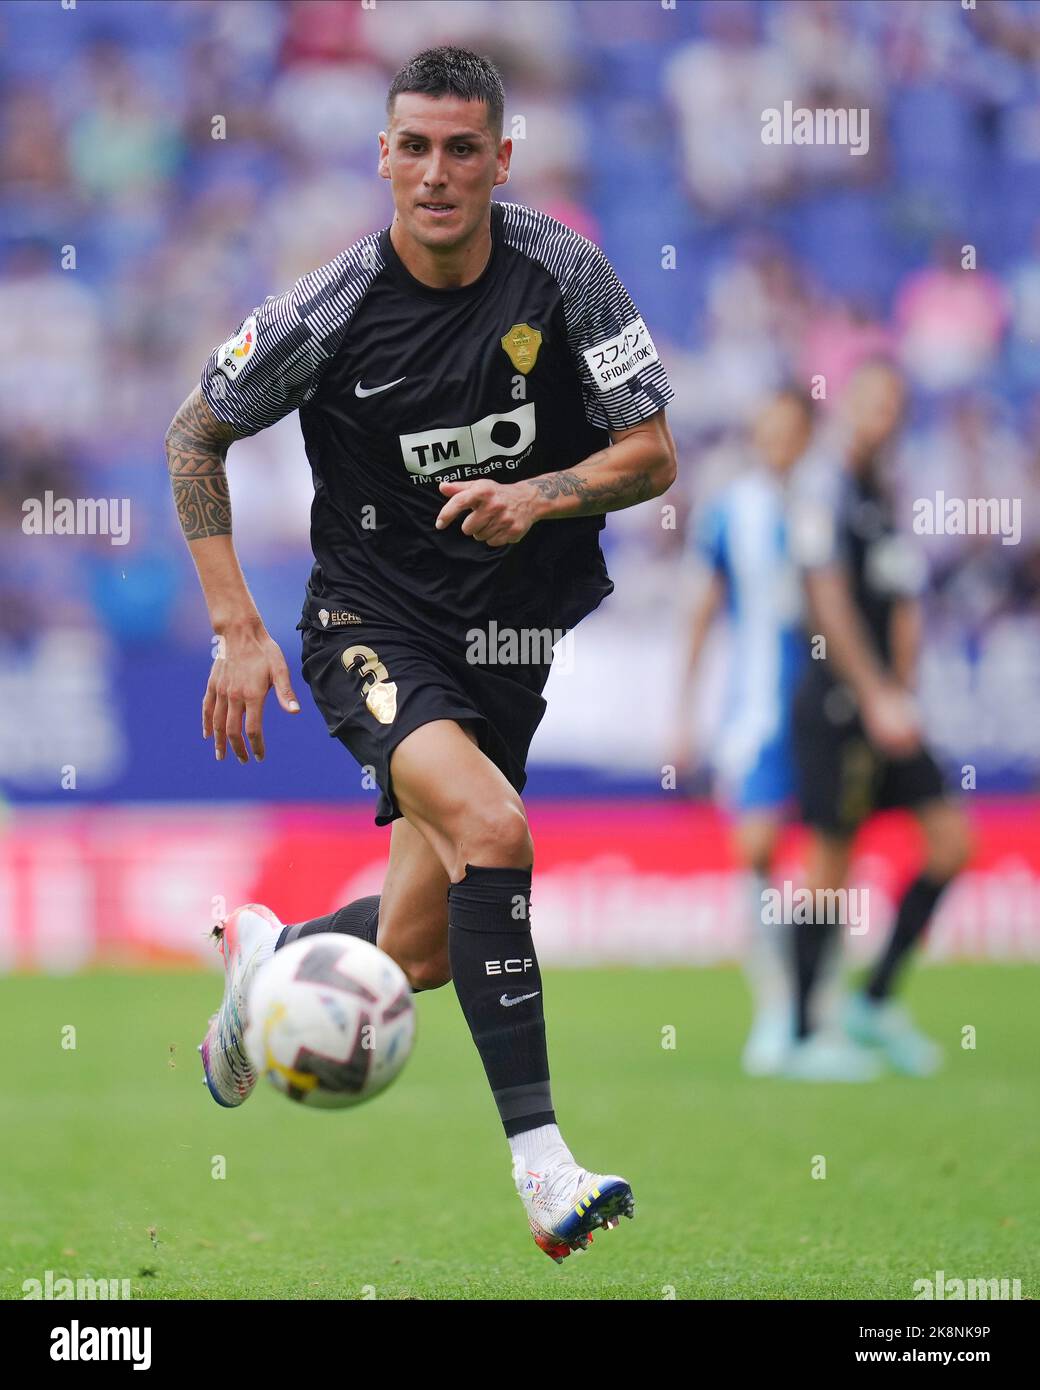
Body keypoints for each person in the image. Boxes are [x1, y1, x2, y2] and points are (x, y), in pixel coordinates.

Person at [164, 47, 676, 1262]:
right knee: (493, 834)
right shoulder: (326, 311)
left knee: (418, 951)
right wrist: (236, 627)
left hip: (508, 636)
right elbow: (195, 437)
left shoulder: (566, 275)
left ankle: (269, 958)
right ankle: (544, 1170)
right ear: (381, 155)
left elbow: (650, 452)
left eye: (461, 150)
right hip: (370, 622)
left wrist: (537, 493)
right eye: (412, 147)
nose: (435, 174)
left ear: (501, 160)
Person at [786, 359, 971, 1079]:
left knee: (951, 842)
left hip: (888, 702)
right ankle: (804, 1034)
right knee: (830, 862)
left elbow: (901, 601)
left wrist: (905, 692)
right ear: (847, 405)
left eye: (893, 406)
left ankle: (874, 998)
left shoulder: (885, 489)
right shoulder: (819, 484)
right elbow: (825, 597)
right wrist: (873, 692)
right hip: (836, 699)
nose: (881, 417)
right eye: (870, 403)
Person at [674, 390, 814, 1076]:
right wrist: (684, 713)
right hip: (758, 710)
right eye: (769, 431)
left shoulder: (830, 501)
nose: (779, 443)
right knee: (757, 846)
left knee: (826, 862)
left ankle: (822, 1011)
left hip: (827, 708)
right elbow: (700, 613)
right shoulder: (732, 510)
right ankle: (775, 1006)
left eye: (791, 431)